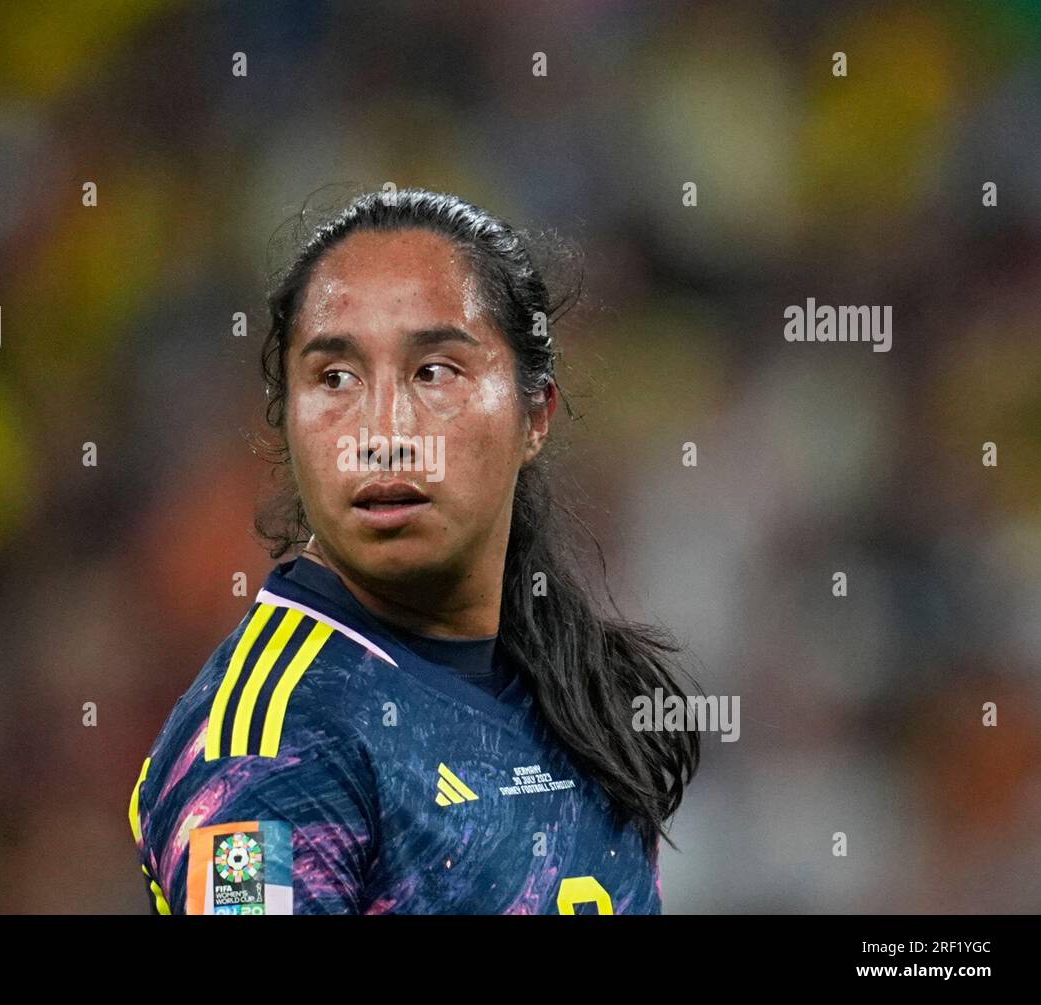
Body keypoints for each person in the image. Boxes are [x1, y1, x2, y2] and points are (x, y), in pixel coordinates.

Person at [128, 188, 700, 914]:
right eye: (335, 378)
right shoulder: (269, 744)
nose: (385, 431)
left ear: (535, 413)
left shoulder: (573, 692)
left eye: (434, 372)